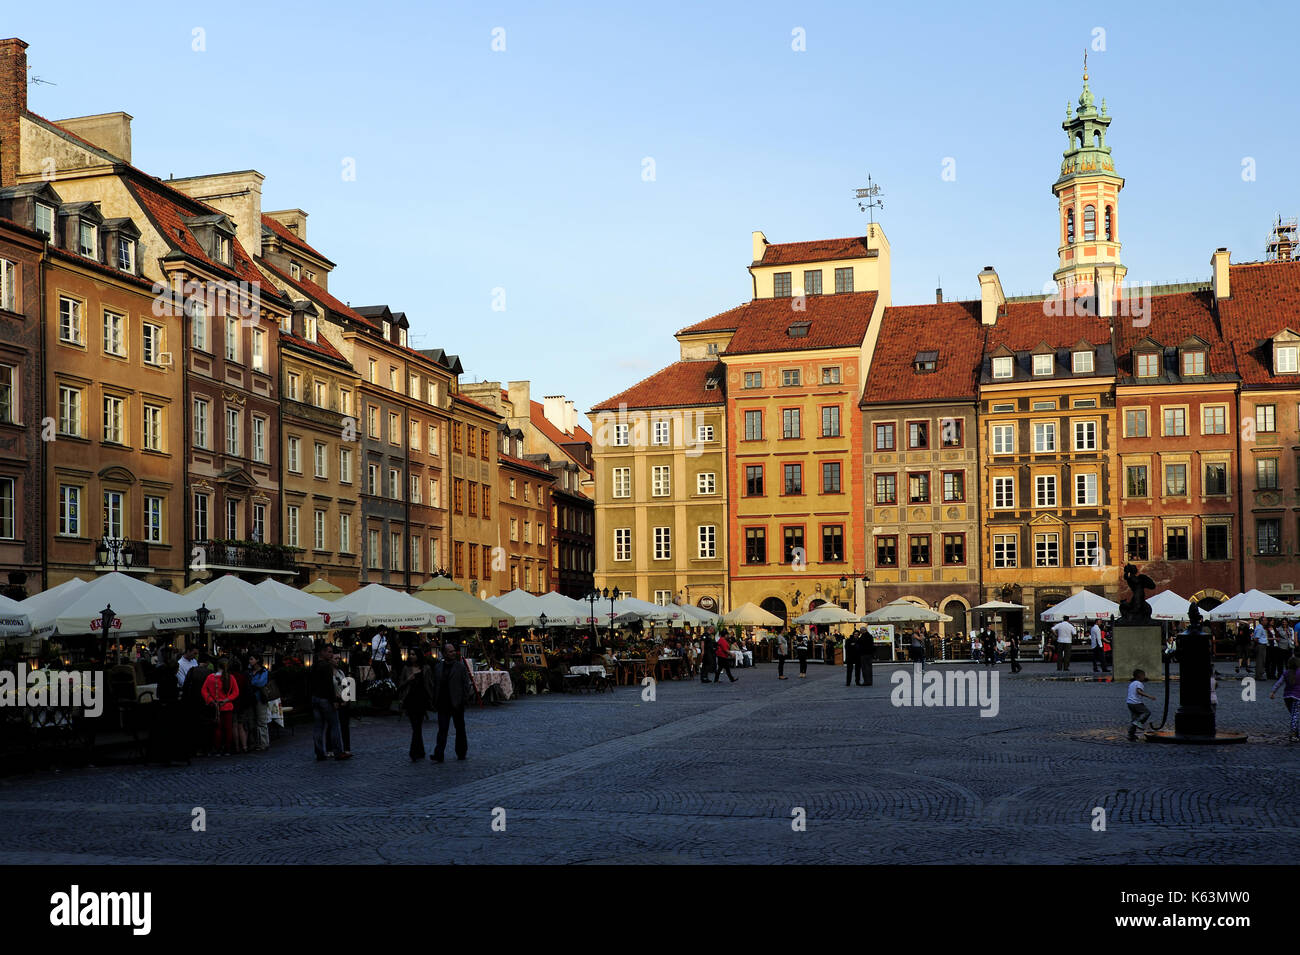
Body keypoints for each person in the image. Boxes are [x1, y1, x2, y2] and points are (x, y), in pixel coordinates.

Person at [430, 642, 475, 762]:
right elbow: (435, 684)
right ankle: (439, 754)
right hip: (443, 703)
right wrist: (434, 699)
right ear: (444, 654)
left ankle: (461, 752)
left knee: (460, 729)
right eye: (450, 651)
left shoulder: (460, 667)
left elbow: (466, 684)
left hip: (456, 703)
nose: (453, 653)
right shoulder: (439, 667)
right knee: (442, 730)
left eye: (454, 651)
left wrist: (463, 699)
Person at [310, 646, 349, 761]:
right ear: (322, 652)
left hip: (315, 698)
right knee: (334, 725)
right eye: (329, 652)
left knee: (318, 727)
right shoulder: (326, 666)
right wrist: (334, 701)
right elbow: (329, 686)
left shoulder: (314, 665)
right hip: (325, 700)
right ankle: (338, 752)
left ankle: (319, 752)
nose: (331, 655)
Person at [201, 657, 240, 756]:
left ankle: (217, 748)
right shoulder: (230, 677)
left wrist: (211, 700)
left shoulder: (210, 677)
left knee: (217, 729)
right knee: (228, 729)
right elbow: (236, 692)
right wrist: (227, 699)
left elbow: (204, 691)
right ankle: (227, 748)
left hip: (215, 706)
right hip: (227, 706)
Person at [399, 651, 431, 760]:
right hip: (410, 700)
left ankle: (416, 751)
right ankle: (417, 751)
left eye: (414, 654)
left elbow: (430, 683)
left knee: (418, 726)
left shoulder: (425, 668)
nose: (412, 656)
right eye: (411, 654)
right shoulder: (406, 669)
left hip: (421, 700)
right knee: (415, 727)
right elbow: (400, 685)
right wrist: (408, 680)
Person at [1269, 655, 1300, 742]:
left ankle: (1296, 732)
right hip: (1298, 696)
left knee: (1293, 714)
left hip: (1287, 697)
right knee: (1295, 715)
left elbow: (1279, 683)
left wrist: (1273, 692)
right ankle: (1294, 733)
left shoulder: (1286, 673)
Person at [331, 647, 354, 758]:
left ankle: (347, 748)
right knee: (333, 726)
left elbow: (346, 686)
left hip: (343, 701)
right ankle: (331, 748)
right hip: (334, 701)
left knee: (345, 726)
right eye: (336, 658)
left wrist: (347, 698)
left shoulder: (341, 672)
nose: (338, 660)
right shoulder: (328, 674)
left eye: (339, 658)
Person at [229, 657, 253, 754]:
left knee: (234, 725)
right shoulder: (244, 676)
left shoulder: (229, 677)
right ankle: (244, 746)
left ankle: (237, 746)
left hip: (232, 702)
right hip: (242, 703)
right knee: (241, 725)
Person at [1126, 668, 1157, 740]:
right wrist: (1149, 696)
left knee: (1134, 719)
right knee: (1147, 712)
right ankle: (1139, 722)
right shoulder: (1139, 683)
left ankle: (1131, 734)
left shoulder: (1132, 683)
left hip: (1130, 703)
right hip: (1136, 703)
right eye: (1144, 676)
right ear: (1140, 676)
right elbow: (1139, 691)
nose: (1144, 677)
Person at [247, 654, 270, 752]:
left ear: (257, 660)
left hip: (260, 699)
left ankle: (263, 743)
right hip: (251, 699)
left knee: (261, 722)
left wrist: (251, 682)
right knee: (252, 722)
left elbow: (261, 683)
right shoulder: (249, 671)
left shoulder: (263, 671)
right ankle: (255, 743)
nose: (250, 661)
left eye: (251, 658)